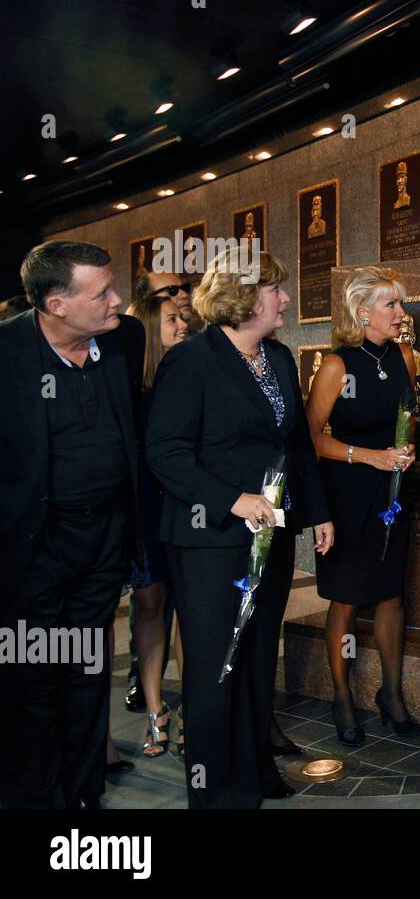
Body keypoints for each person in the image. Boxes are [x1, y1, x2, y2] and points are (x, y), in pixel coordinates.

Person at [145, 249, 333, 808]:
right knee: (214, 665)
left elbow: (295, 445)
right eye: (277, 290)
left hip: (270, 532)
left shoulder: (276, 356)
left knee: (255, 656)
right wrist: (231, 499)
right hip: (209, 539)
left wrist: (317, 511)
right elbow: (165, 452)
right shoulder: (192, 361)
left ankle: (255, 775)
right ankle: (217, 791)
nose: (286, 300)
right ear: (247, 299)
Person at [0, 240, 143, 809]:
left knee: (88, 675)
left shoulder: (121, 342)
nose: (119, 300)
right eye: (102, 292)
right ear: (56, 305)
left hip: (102, 542)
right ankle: (36, 798)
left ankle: (85, 796)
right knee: (32, 680)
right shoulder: (7, 355)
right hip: (32, 547)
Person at [306, 267, 419, 745]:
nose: (401, 313)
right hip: (347, 495)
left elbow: (409, 418)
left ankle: (391, 695)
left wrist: (404, 449)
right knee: (348, 598)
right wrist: (367, 456)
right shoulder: (337, 364)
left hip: (392, 494)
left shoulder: (406, 358)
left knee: (392, 594)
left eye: (400, 304)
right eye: (391, 305)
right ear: (362, 312)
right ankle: (341, 696)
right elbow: (310, 438)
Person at [124, 294, 190, 757]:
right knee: (149, 605)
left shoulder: (190, 376)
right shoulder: (129, 388)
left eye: (183, 317)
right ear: (150, 327)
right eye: (171, 319)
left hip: (188, 504)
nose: (183, 324)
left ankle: (191, 710)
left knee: (189, 609)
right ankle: (154, 709)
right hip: (145, 507)